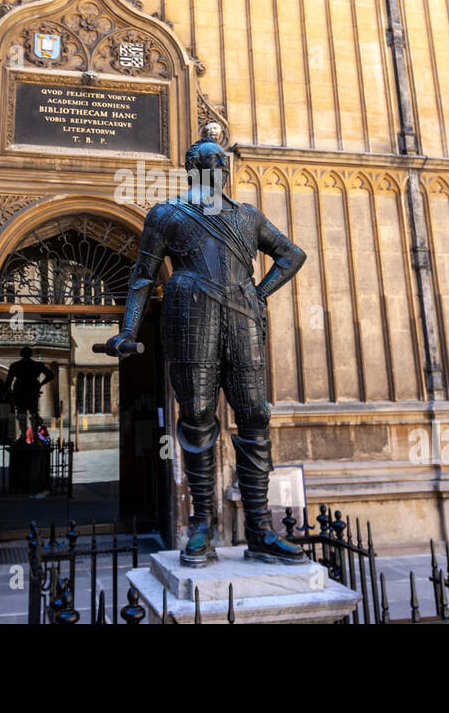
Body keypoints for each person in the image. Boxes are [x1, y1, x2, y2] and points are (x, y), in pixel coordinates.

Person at [103, 132, 307, 567]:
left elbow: (291, 255)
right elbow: (143, 275)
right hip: (190, 312)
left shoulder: (248, 216)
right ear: (194, 167)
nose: (222, 167)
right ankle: (202, 524)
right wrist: (127, 329)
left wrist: (260, 292)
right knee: (196, 413)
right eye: (212, 161)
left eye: (224, 161)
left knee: (255, 413)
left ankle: (259, 529)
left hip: (242, 315)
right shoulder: (167, 213)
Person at [6, 347, 54, 441]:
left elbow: (8, 382)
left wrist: (3, 394)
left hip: (20, 390)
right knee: (34, 413)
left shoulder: (15, 365)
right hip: (33, 389)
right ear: (31, 354)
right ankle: (35, 436)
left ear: (21, 354)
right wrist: (41, 384)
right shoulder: (38, 365)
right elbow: (51, 375)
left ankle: (23, 436)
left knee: (21, 413)